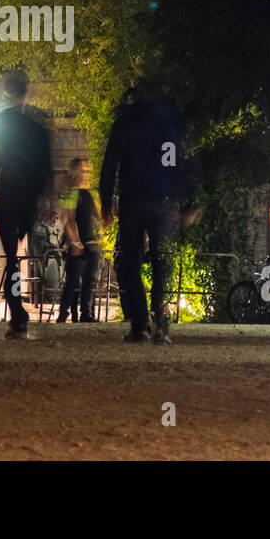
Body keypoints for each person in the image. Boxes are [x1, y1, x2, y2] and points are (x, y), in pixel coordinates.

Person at [100, 79, 201, 345]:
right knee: (160, 263)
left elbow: (110, 164)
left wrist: (106, 202)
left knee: (131, 264)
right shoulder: (170, 122)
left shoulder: (126, 120)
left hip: (133, 201)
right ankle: (161, 321)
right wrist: (189, 204)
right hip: (162, 201)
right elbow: (185, 163)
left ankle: (140, 325)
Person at [0, 69, 52, 339]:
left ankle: (17, 316)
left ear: (6, 92)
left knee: (11, 258)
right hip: (29, 196)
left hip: (10, 192)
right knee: (18, 254)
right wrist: (45, 199)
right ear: (26, 92)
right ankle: (19, 312)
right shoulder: (37, 125)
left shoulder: (1, 122)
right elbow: (46, 167)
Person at [57, 158, 100, 324]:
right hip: (78, 244)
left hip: (91, 242)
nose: (84, 173)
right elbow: (68, 219)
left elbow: (98, 216)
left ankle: (86, 314)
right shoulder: (70, 193)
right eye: (81, 170)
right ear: (74, 172)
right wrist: (75, 242)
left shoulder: (92, 193)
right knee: (72, 281)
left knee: (90, 280)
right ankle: (63, 314)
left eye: (86, 170)